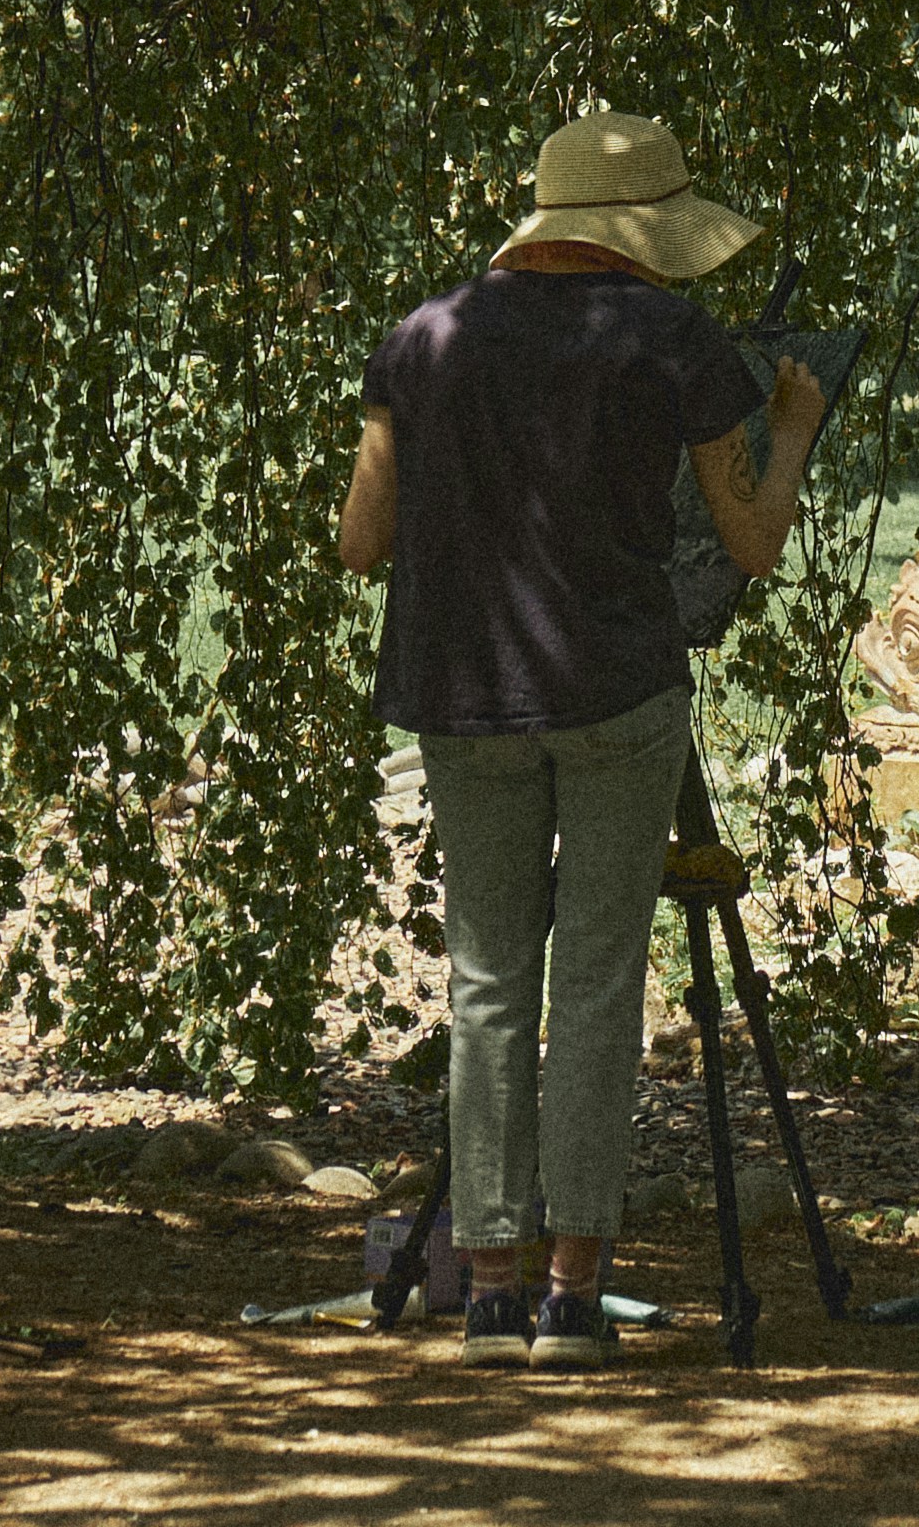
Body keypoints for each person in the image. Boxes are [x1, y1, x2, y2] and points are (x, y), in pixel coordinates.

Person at [339, 112, 828, 1370]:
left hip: (462, 699)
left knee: (487, 983)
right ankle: (572, 1297)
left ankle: (488, 1293)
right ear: (645, 233)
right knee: (598, 984)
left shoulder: (423, 339)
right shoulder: (670, 336)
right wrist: (794, 426)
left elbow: (359, 541)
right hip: (617, 693)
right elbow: (749, 542)